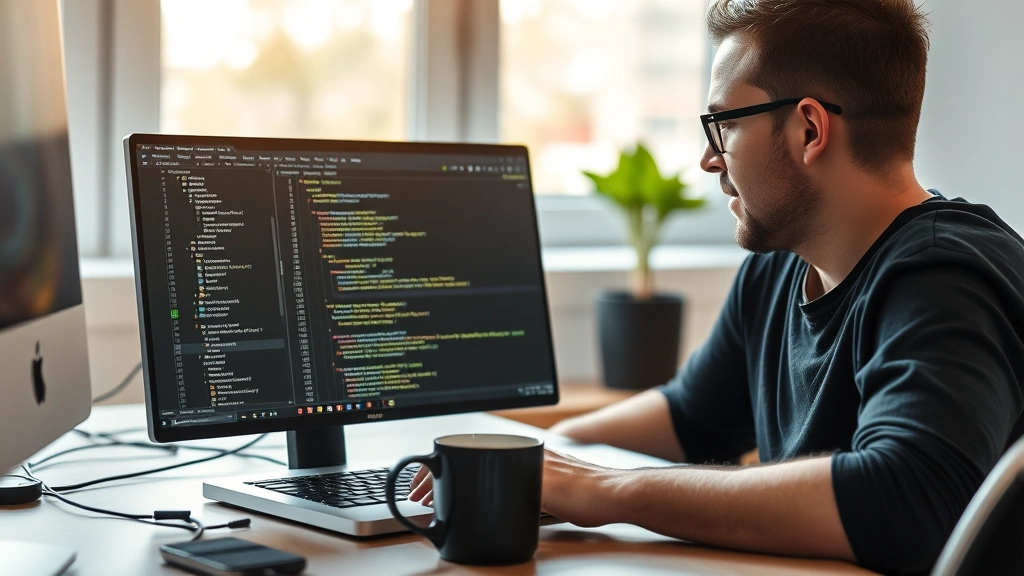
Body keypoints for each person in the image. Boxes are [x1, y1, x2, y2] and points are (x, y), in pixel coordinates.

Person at [410, 0, 1024, 572]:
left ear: (809, 129)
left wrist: (603, 489)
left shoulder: (945, 275)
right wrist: (552, 452)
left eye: (722, 124)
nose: (709, 160)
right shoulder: (782, 263)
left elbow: (909, 498)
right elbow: (691, 416)